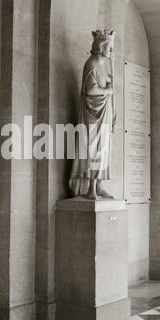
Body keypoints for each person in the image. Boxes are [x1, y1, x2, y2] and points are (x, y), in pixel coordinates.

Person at [69, 28, 114, 199]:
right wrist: (107, 91)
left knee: (104, 149)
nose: (111, 51)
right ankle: (91, 188)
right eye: (109, 47)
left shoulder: (103, 66)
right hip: (93, 114)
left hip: (104, 113)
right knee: (93, 148)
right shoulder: (92, 64)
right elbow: (90, 90)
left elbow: (104, 87)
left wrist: (113, 110)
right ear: (100, 47)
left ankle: (100, 183)